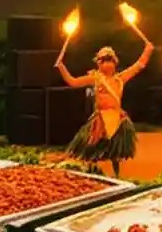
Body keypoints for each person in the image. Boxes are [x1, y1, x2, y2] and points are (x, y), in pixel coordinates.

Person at [58, 40, 154, 177]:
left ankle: (117, 175)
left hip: (118, 119)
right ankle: (90, 172)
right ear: (98, 63)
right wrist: (61, 67)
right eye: (104, 60)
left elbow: (139, 66)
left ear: (115, 63)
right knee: (90, 147)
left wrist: (148, 50)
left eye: (110, 60)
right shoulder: (95, 78)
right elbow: (73, 82)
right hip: (100, 121)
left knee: (116, 150)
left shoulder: (120, 79)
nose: (107, 63)